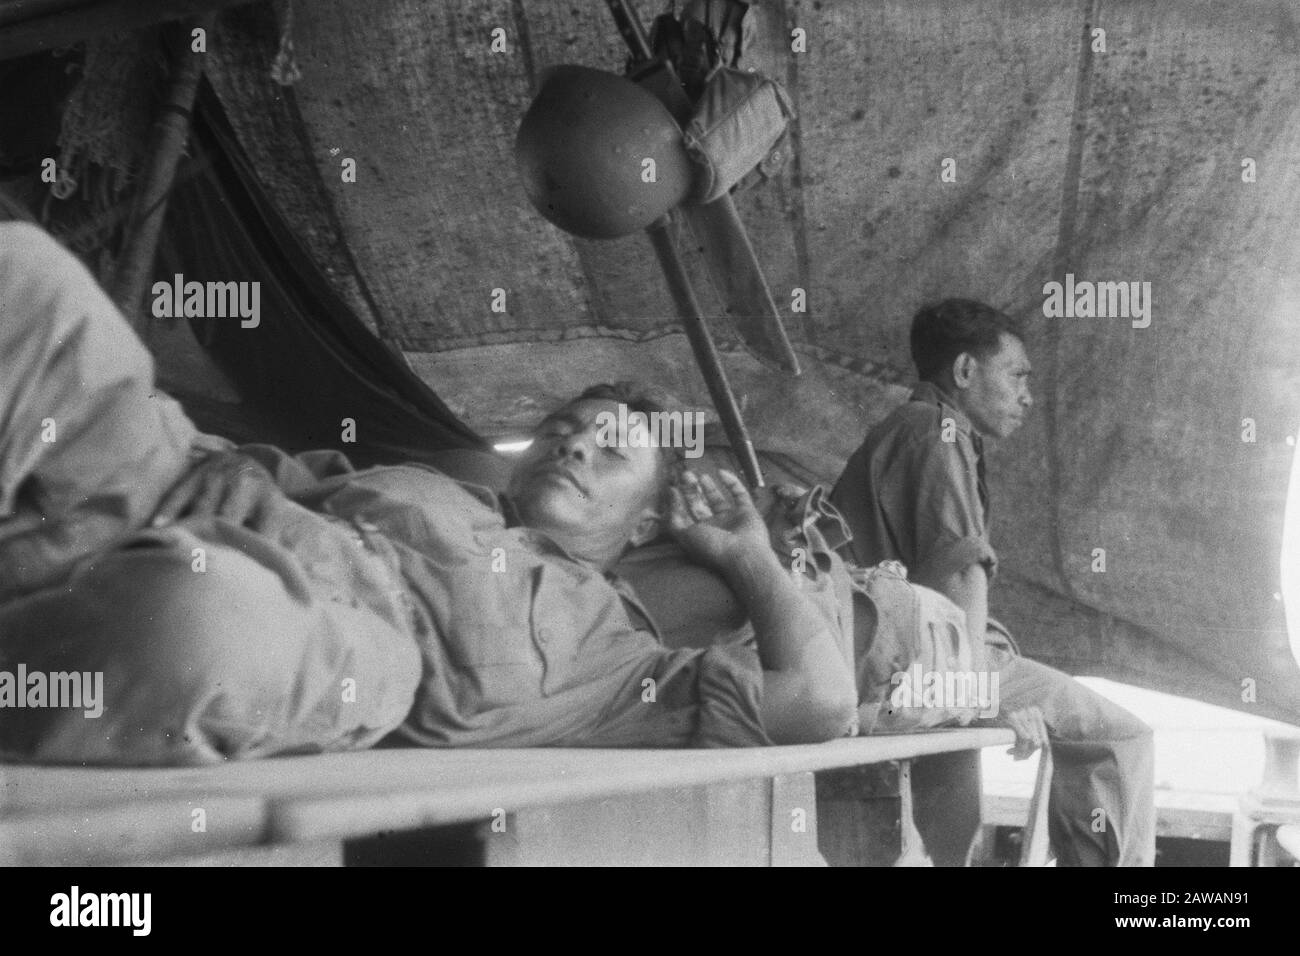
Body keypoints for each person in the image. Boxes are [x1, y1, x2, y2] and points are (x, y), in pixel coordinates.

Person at [0, 219, 856, 765]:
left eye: (613, 450)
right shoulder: (434, 493)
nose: (575, 446)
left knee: (192, 627)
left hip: (334, 631)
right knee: (32, 278)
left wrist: (745, 554)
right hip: (189, 483)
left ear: (643, 526)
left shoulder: (617, 664)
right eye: (564, 430)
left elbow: (819, 700)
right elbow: (269, 475)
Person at [830, 298, 1156, 867]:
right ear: (963, 372)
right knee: (1117, 736)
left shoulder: (915, 428)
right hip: (910, 667)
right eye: (1016, 375)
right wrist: (974, 696)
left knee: (950, 841)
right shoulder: (937, 429)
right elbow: (960, 570)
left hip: (877, 663)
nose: (1027, 396)